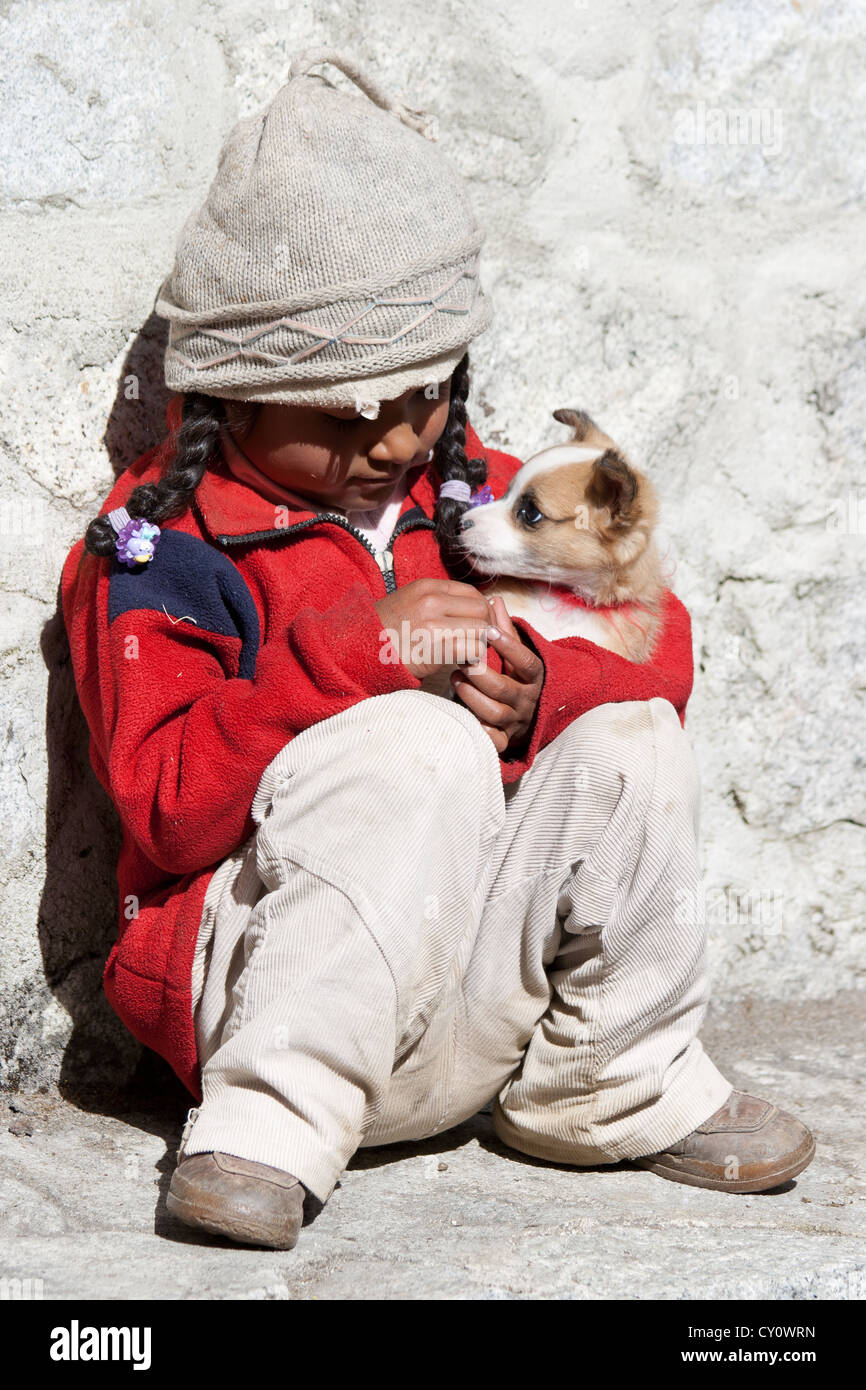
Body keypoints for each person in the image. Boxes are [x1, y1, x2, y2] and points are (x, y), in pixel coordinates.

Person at [60, 48, 815, 1251]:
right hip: (274, 1005)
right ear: (228, 400)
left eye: (420, 395)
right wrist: (365, 654)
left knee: (633, 730)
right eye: (340, 415)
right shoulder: (157, 549)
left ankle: (606, 1083)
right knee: (413, 740)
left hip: (472, 1007)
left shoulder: (478, 500)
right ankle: (266, 1132)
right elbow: (161, 809)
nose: (392, 439)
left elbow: (654, 636)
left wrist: (544, 694)